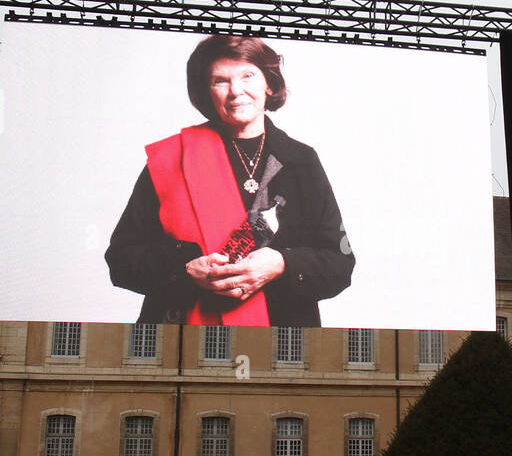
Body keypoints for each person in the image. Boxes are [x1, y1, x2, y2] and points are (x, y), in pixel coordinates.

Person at [105, 35, 354, 326]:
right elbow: (121, 260)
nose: (236, 91)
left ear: (269, 84)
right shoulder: (174, 158)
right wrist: (184, 268)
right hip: (183, 339)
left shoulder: (301, 161)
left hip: (280, 342)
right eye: (220, 81)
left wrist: (283, 264)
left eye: (248, 76)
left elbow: (339, 265)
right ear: (206, 91)